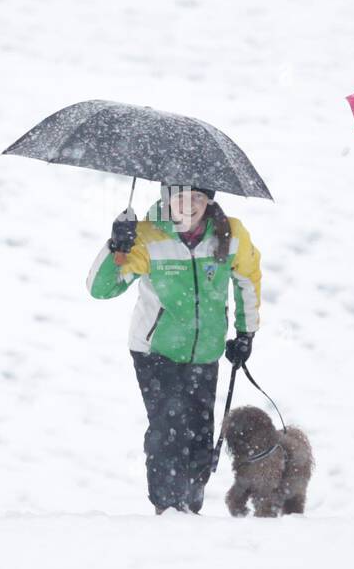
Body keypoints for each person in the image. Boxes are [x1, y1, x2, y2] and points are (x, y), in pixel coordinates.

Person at [87, 183, 262, 514]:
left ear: (209, 200)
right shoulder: (147, 235)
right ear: (167, 198)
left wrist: (245, 332)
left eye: (198, 197)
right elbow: (102, 288)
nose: (189, 205)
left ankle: (190, 506)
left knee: (198, 433)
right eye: (181, 196)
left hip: (205, 351)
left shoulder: (231, 233)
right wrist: (116, 246)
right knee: (170, 427)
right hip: (156, 351)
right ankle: (167, 509)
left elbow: (248, 279)